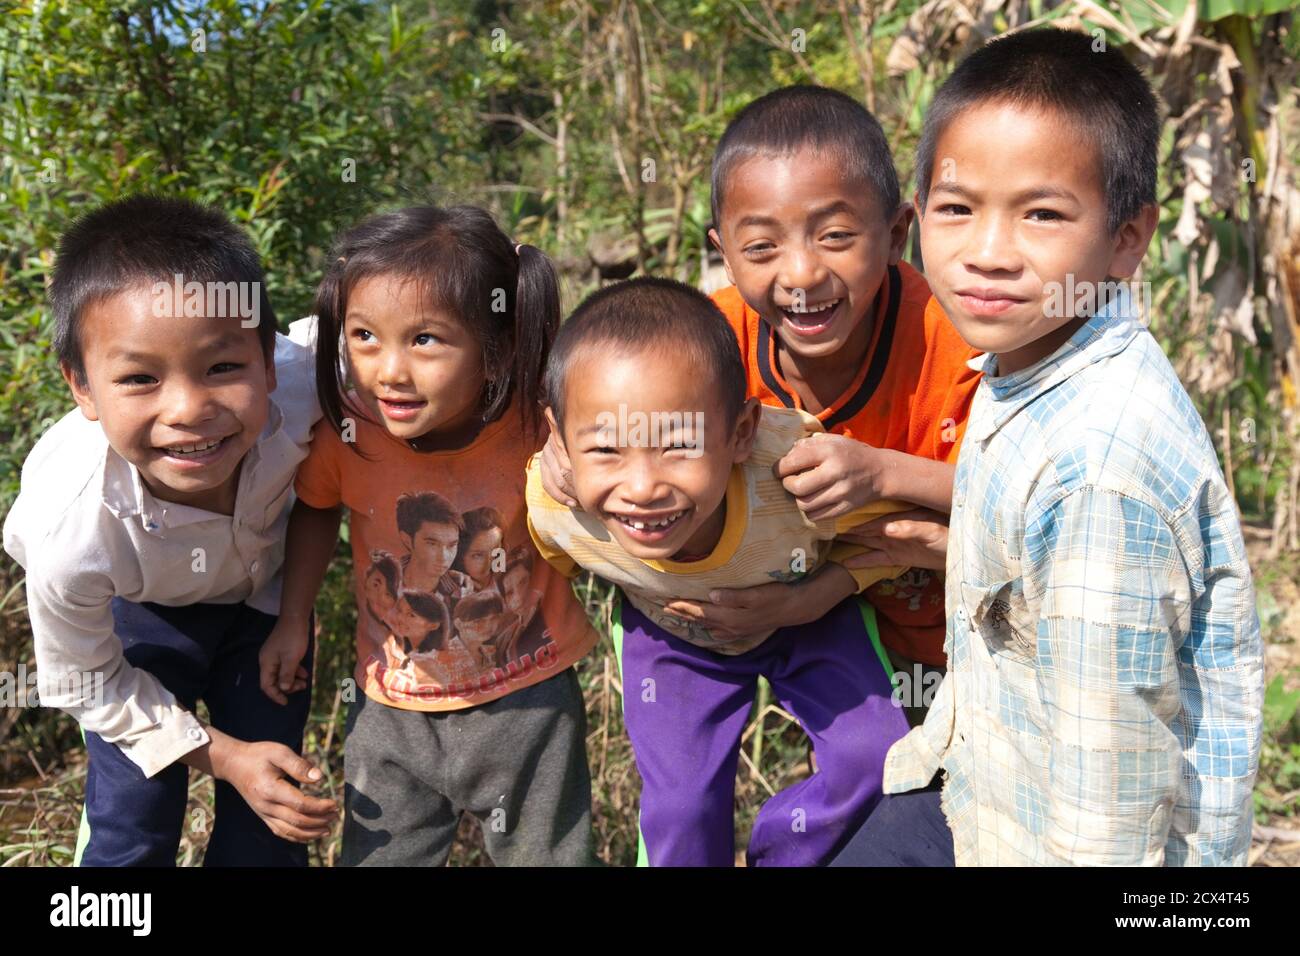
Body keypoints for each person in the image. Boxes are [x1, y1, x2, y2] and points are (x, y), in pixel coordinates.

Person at [845, 28, 1264, 867]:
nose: (989, 253)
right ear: (918, 216)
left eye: (1042, 214)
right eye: (958, 209)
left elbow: (1111, 797)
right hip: (990, 785)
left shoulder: (1099, 474)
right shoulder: (1027, 364)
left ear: (1127, 240)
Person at [527, 277, 913, 866]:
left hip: (812, 616)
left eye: (678, 446)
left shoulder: (792, 476)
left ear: (740, 433)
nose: (642, 488)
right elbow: (547, 568)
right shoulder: (561, 510)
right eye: (606, 450)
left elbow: (892, 536)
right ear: (559, 440)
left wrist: (820, 594)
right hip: (674, 641)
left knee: (876, 756)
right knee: (680, 810)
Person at [257, 205, 598, 866]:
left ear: (497, 349)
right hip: (390, 710)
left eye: (425, 341)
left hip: (528, 704)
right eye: (364, 336)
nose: (389, 370)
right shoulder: (350, 437)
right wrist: (293, 618)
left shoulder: (539, 425)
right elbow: (317, 510)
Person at [2, 195, 335, 866]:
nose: (189, 409)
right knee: (134, 819)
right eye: (139, 378)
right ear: (82, 388)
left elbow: (417, 333)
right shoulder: (69, 532)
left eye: (222, 367)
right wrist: (224, 756)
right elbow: (88, 681)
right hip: (138, 622)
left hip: (264, 610)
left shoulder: (310, 383)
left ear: (270, 361)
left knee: (275, 810)